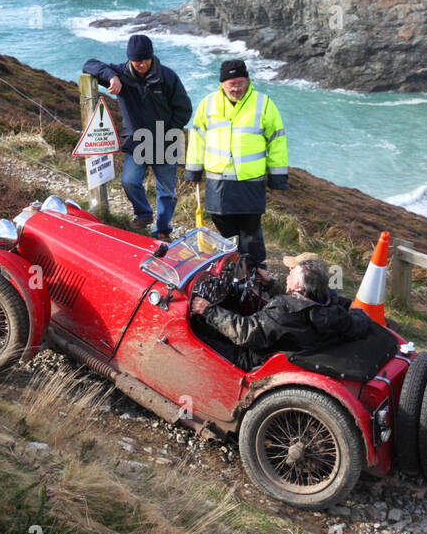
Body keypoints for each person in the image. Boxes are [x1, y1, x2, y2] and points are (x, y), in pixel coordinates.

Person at [83, 34, 193, 239]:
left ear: (151, 56)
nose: (141, 63)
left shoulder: (168, 77)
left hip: (165, 140)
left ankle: (162, 230)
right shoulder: (121, 73)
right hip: (137, 141)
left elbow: (185, 109)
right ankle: (143, 214)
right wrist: (112, 77)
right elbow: (89, 64)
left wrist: (169, 130)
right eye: (136, 59)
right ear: (129, 58)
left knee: (166, 191)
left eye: (144, 59)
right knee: (129, 181)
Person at [182, 59, 287, 266]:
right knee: (223, 225)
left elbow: (277, 139)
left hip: (250, 179)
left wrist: (277, 175)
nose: (236, 88)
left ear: (248, 81)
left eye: (240, 83)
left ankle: (255, 269)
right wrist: (193, 170)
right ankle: (232, 264)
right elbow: (197, 139)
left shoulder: (263, 103)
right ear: (222, 84)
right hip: (217, 180)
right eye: (232, 84)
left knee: (250, 228)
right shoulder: (208, 103)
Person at [189, 256, 370, 370]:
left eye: (292, 273)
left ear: (299, 287)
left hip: (253, 357)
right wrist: (271, 285)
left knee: (198, 333)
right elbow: (302, 309)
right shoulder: (333, 310)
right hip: (291, 350)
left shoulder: (283, 310)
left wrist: (208, 310)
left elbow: (245, 333)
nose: (288, 275)